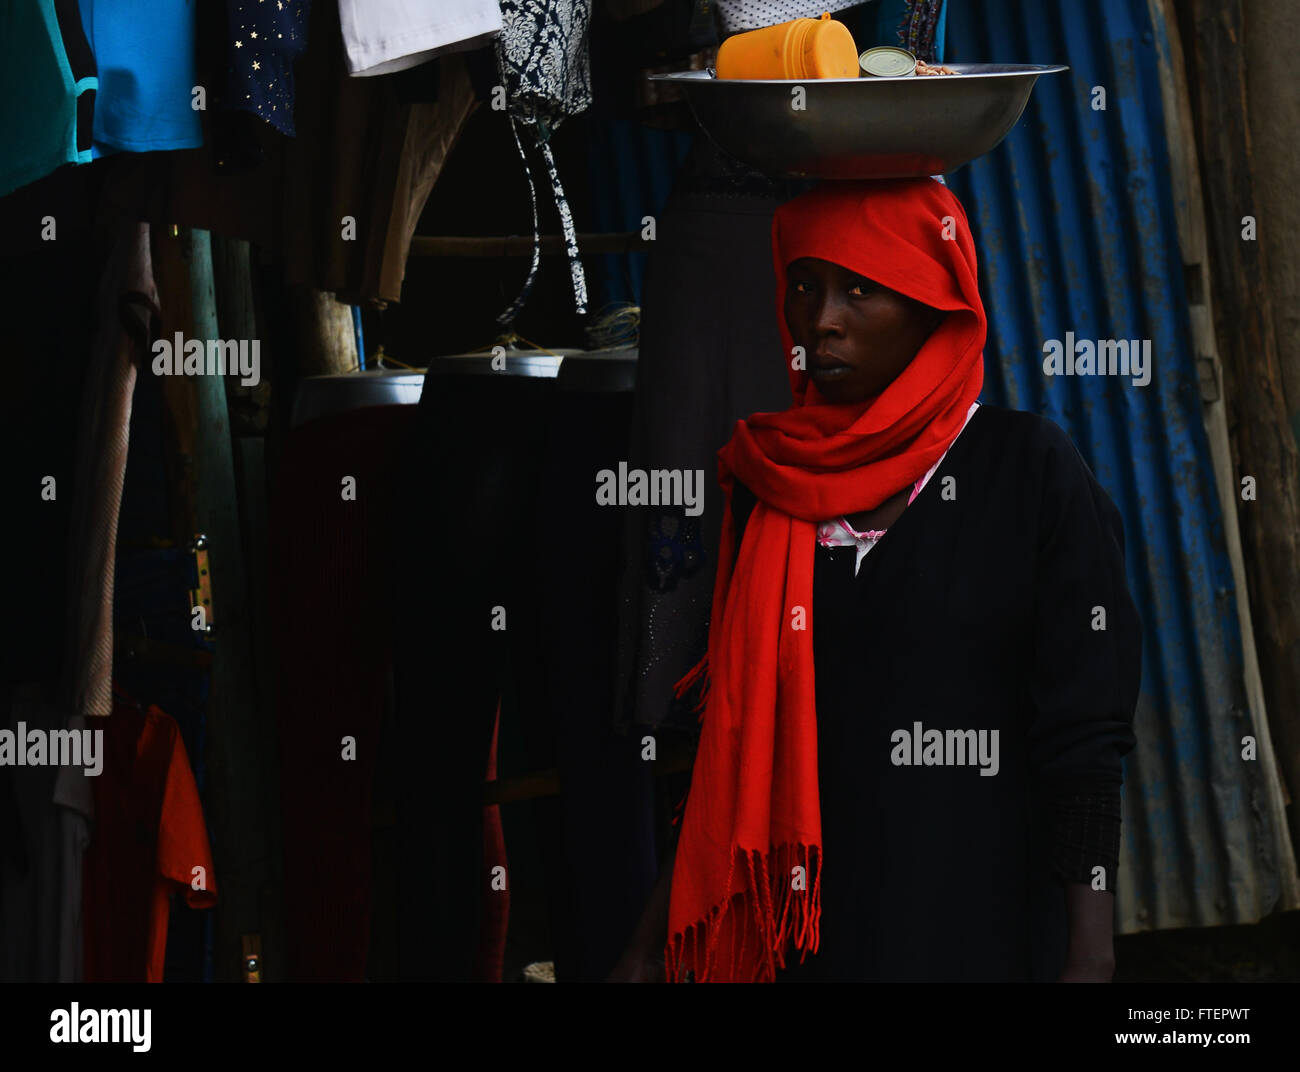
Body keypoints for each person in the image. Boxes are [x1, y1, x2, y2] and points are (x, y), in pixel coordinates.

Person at [610, 176, 1142, 983]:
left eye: (862, 290)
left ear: (938, 305)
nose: (822, 321)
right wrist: (649, 948)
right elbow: (736, 740)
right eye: (804, 285)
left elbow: (1085, 741)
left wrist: (1091, 957)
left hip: (979, 941)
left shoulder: (1026, 471)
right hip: (805, 950)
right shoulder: (770, 479)